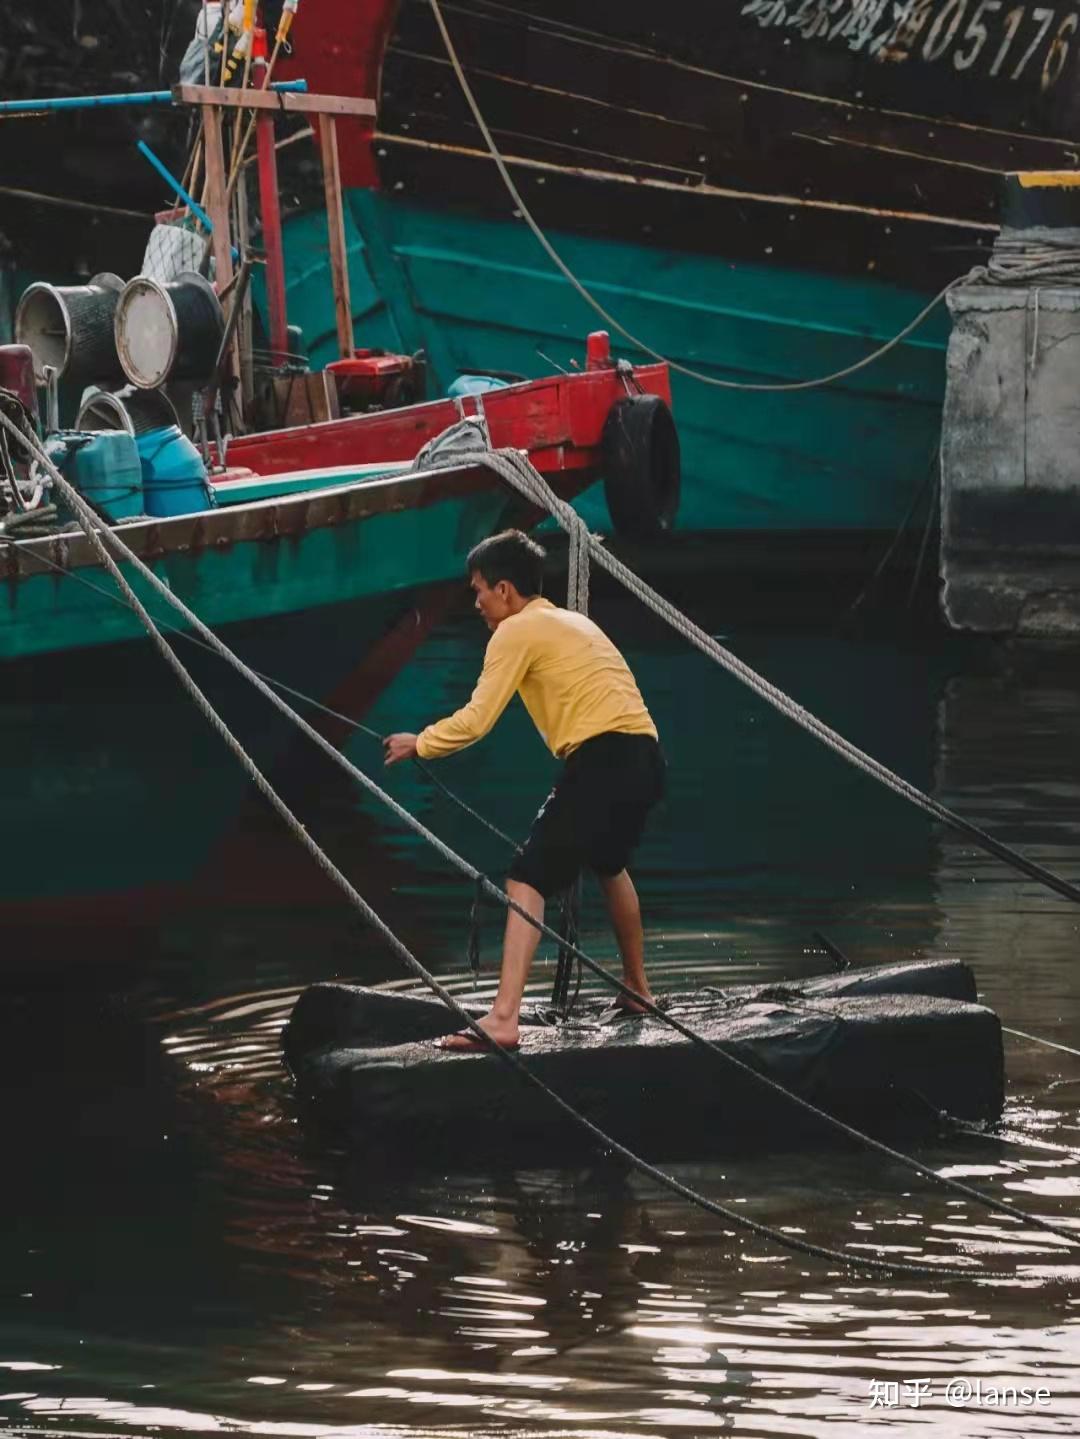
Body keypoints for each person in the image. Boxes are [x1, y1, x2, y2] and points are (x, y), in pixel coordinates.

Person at [384, 529, 665, 1051]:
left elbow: (477, 720)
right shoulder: (573, 621)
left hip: (603, 758)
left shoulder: (515, 631)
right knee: (609, 862)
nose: (476, 603)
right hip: (646, 757)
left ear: (505, 590)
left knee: (526, 878)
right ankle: (638, 991)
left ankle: (503, 1020)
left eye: (478, 590)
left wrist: (419, 743)